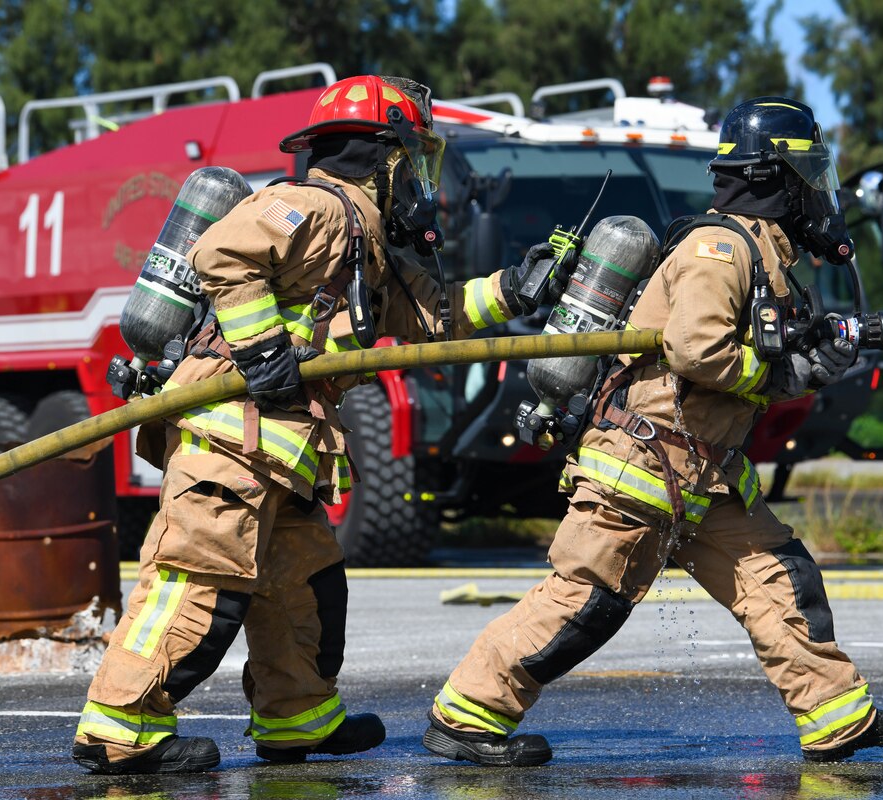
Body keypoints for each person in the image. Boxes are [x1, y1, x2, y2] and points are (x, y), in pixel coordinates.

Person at [421, 97, 883, 767]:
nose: (818, 194)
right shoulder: (721, 249)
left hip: (705, 473)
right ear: (774, 178)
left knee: (779, 577)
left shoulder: (767, 258)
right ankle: (467, 714)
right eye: (807, 174)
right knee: (587, 603)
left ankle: (835, 717)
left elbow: (757, 364)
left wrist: (807, 366)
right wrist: (789, 369)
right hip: (643, 462)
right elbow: (696, 351)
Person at [73, 75, 557, 774]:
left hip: (285, 448)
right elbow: (220, 255)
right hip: (227, 440)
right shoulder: (310, 206)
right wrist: (264, 345)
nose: (418, 177)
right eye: (412, 158)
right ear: (386, 157)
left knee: (305, 589)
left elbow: (432, 321)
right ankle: (119, 727)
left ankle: (297, 717)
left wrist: (515, 289)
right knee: (196, 588)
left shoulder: (367, 236)